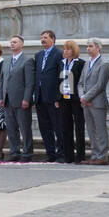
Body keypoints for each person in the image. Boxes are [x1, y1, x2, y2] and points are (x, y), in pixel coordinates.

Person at [0, 35, 35, 162]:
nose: (12, 44)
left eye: (15, 42)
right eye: (11, 42)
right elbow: (2, 80)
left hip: (21, 100)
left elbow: (30, 82)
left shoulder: (27, 60)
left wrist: (27, 99)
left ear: (21, 44)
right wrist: (1, 97)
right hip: (8, 100)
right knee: (11, 128)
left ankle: (27, 153)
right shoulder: (6, 61)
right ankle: (14, 152)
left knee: (24, 128)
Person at [32, 30, 65, 162]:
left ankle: (61, 153)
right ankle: (50, 153)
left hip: (53, 97)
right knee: (44, 127)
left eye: (45, 38)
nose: (43, 40)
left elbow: (61, 76)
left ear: (53, 39)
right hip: (40, 97)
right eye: (41, 38)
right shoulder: (38, 55)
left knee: (58, 126)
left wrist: (59, 97)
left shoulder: (59, 54)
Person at [79, 38, 109, 164]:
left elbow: (100, 85)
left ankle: (103, 155)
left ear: (98, 48)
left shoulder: (104, 64)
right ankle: (95, 154)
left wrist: (86, 97)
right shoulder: (87, 63)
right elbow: (80, 83)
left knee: (100, 129)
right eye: (87, 46)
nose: (88, 49)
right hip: (86, 102)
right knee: (91, 129)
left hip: (97, 102)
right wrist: (82, 97)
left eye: (91, 46)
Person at [59, 39, 86, 164]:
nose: (66, 51)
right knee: (65, 126)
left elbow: (82, 81)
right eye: (64, 49)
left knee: (79, 126)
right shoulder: (61, 63)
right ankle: (68, 155)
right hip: (64, 98)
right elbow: (57, 80)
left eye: (68, 49)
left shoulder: (80, 63)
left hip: (75, 98)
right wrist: (57, 98)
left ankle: (80, 155)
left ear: (74, 50)